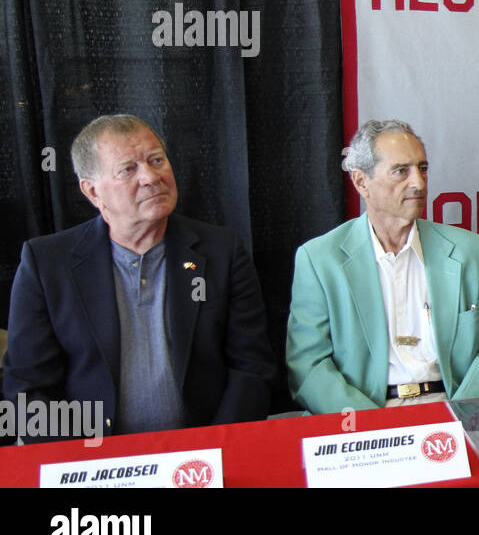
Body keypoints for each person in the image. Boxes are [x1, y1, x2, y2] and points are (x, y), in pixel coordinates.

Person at [3, 114, 275, 441]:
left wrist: (211, 452)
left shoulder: (221, 251)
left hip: (203, 454)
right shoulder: (47, 264)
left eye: (156, 160)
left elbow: (251, 368)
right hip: (92, 459)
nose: (150, 176)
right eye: (128, 169)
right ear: (92, 192)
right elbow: (27, 390)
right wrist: (87, 465)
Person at [286, 119, 479, 414]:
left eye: (422, 169)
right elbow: (308, 366)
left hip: (453, 409)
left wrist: (460, 417)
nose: (418, 183)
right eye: (401, 171)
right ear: (361, 182)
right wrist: (373, 429)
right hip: (364, 416)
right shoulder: (320, 259)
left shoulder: (472, 252)